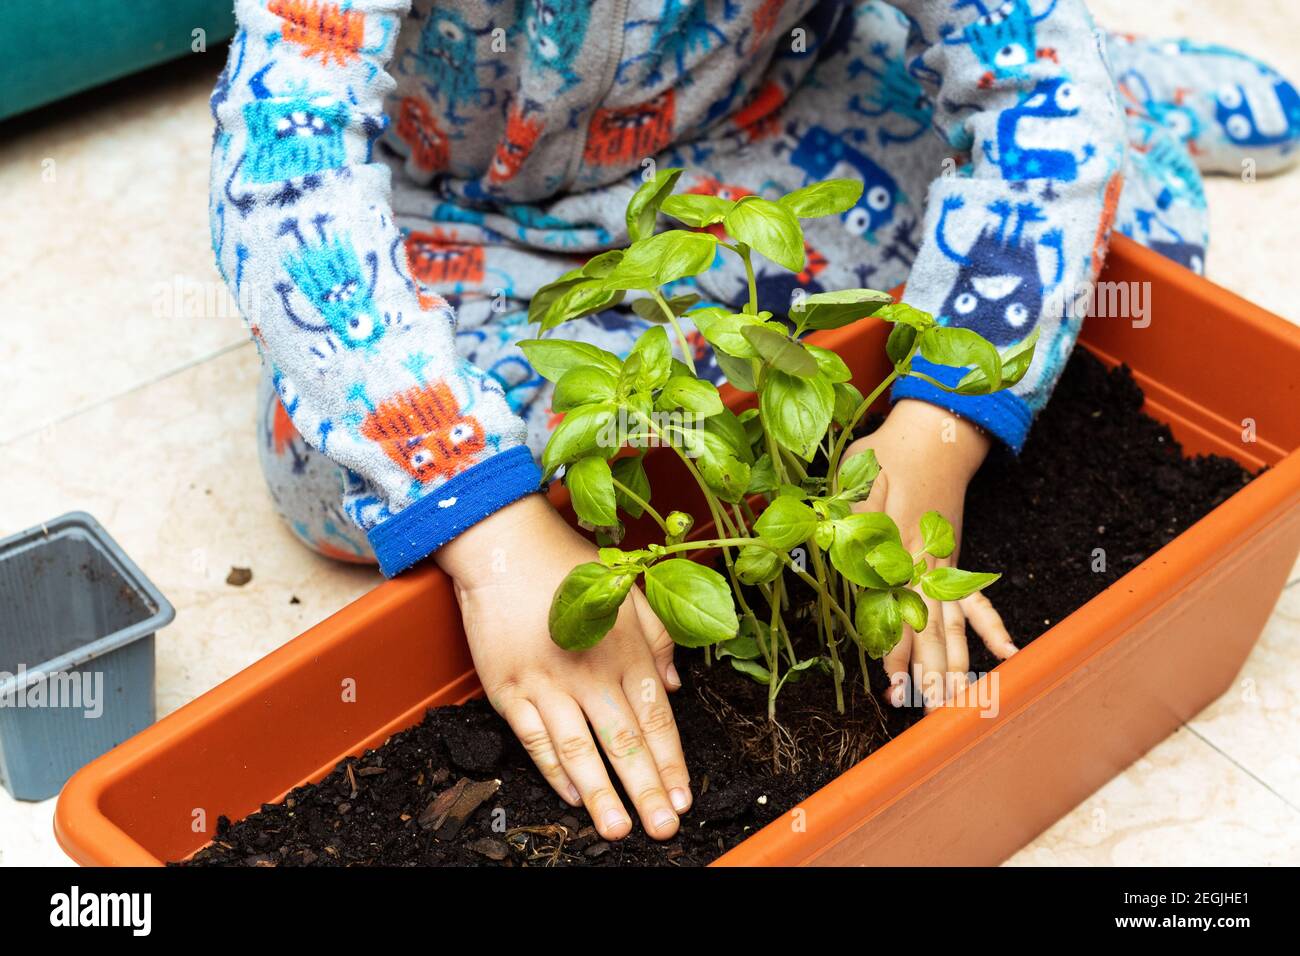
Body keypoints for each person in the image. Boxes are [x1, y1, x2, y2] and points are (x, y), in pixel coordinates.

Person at [209, 0, 1299, 842]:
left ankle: (1124, 84)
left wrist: (935, 435)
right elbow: (287, 161)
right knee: (335, 470)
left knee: (1116, 240)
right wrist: (489, 535)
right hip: (459, 199)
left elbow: (1037, 92)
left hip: (774, 124)